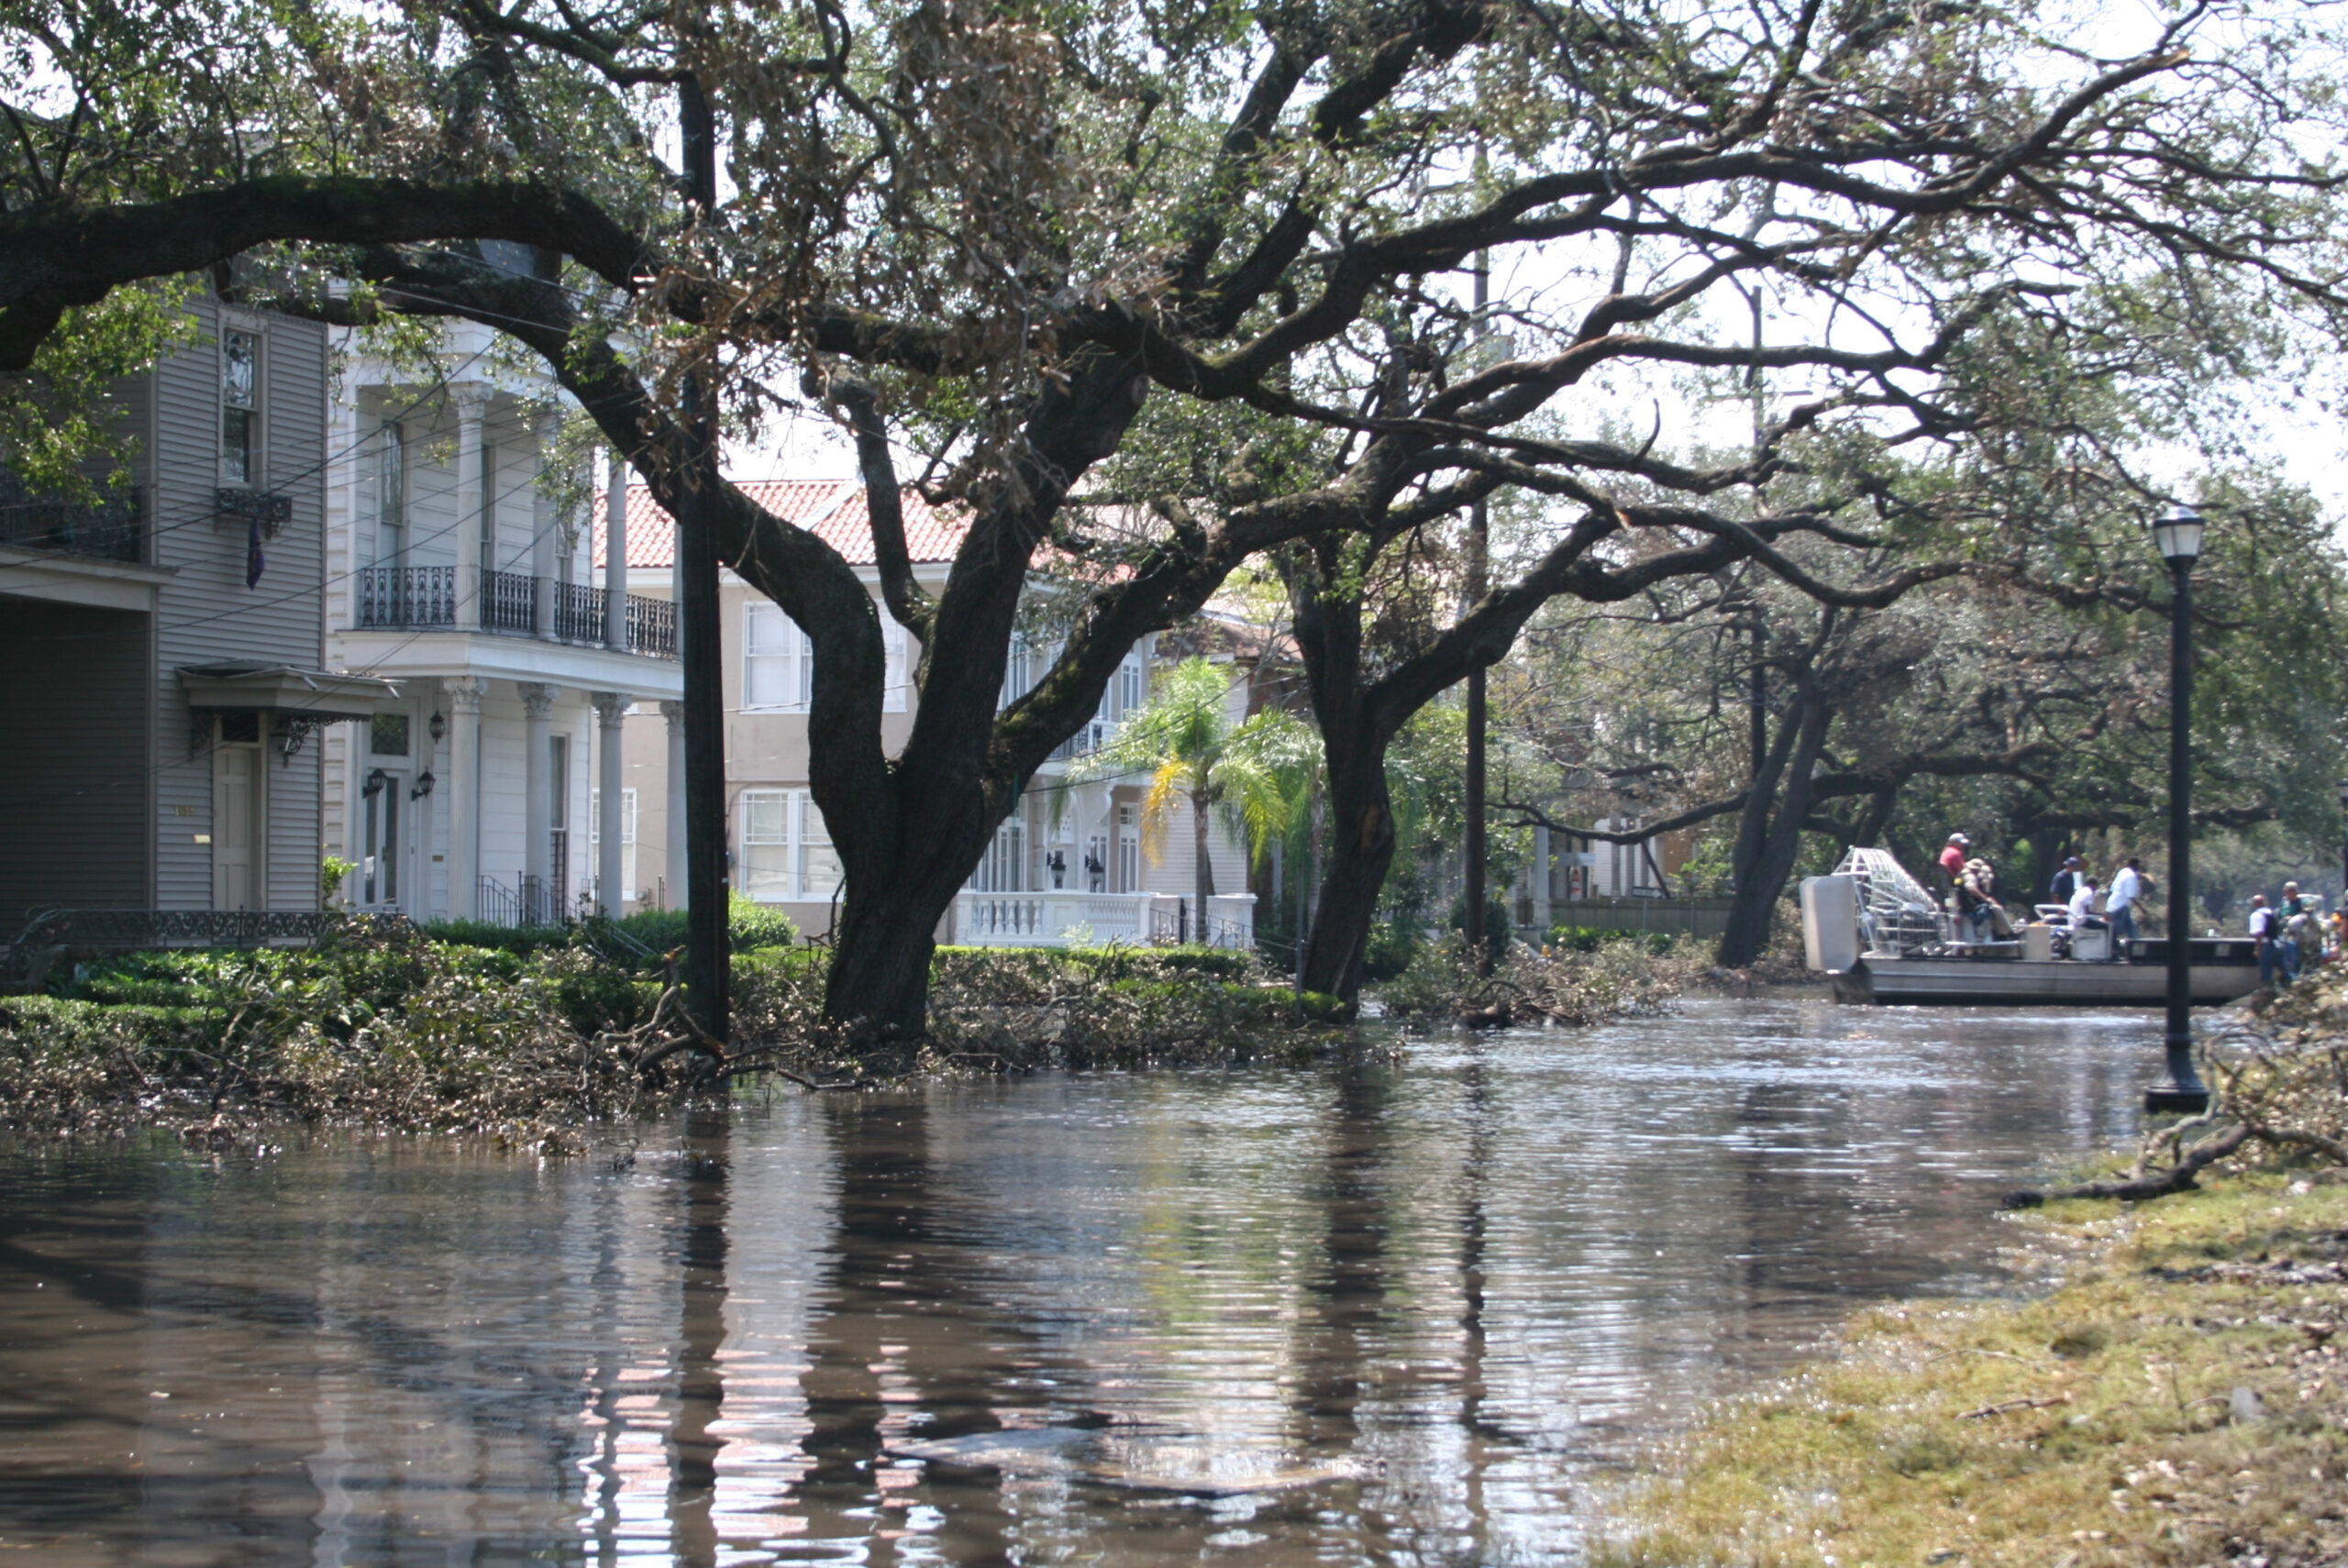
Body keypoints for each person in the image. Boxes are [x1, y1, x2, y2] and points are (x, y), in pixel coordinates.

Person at [2105, 857, 2146, 957]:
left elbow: (2112, 888)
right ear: (2135, 865)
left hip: (2114, 905)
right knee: (2116, 931)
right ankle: (2112, 953)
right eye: (2138, 866)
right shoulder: (2131, 876)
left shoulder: (2122, 872)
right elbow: (2131, 896)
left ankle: (2136, 953)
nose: (2138, 868)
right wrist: (2141, 909)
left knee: (2131, 930)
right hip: (2120, 907)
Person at [2277, 881, 2311, 982]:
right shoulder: (2284, 902)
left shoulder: (2301, 903)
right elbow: (2280, 915)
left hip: (2296, 932)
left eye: (2288, 891)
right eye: (2285, 891)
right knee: (2283, 952)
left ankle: (2296, 974)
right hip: (2283, 931)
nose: (2286, 893)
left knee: (2294, 952)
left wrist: (2292, 918)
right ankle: (2286, 975)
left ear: (2294, 891)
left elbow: (2305, 916)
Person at [2249, 893, 2283, 988]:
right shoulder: (2272, 913)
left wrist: (2257, 948)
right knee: (2283, 969)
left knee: (2266, 973)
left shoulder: (2256, 915)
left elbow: (2259, 933)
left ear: (2255, 904)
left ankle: (2267, 992)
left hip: (2266, 946)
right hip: (2277, 944)